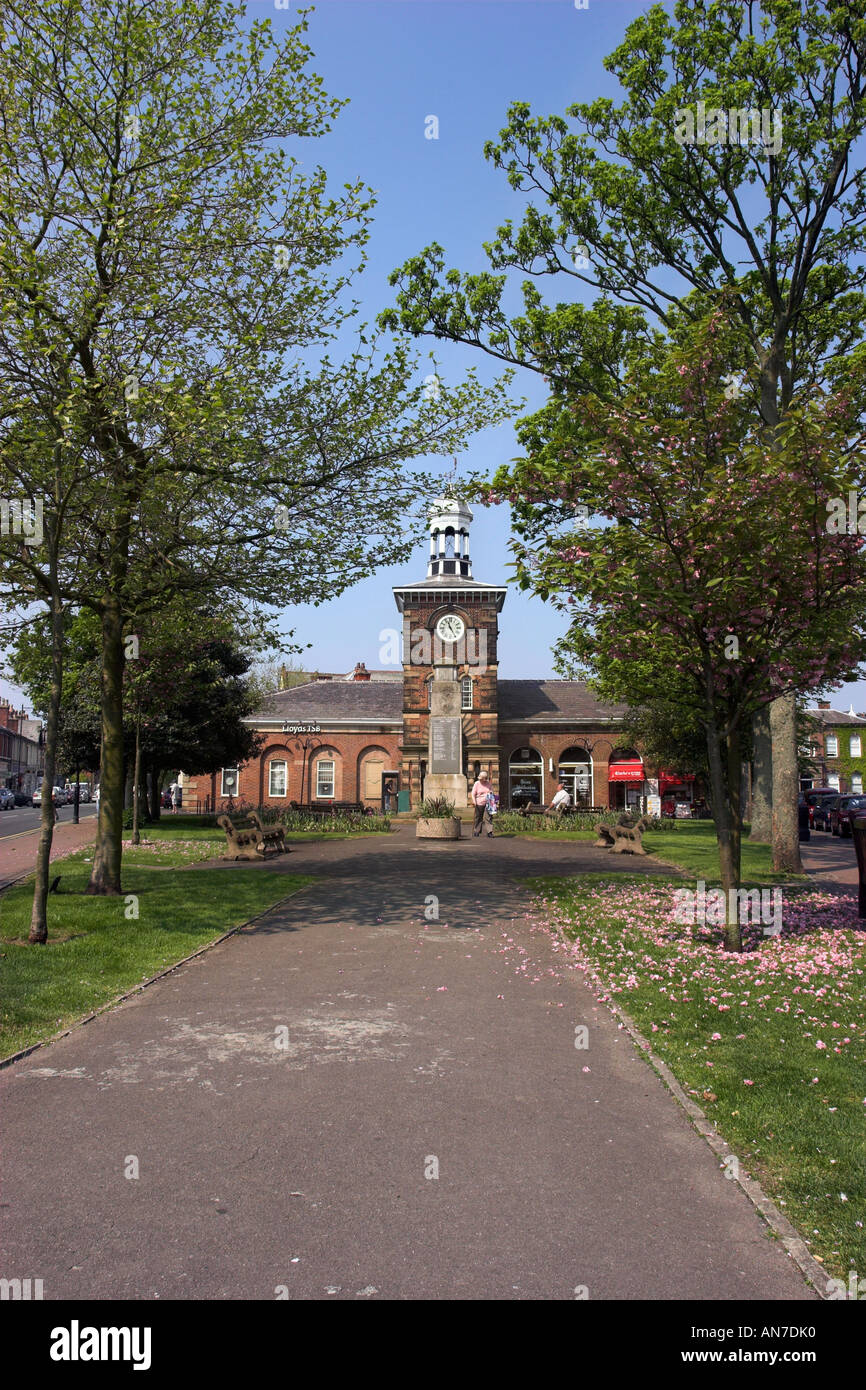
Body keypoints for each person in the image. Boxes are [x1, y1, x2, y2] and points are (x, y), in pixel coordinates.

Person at [470, 771, 491, 837]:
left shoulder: (488, 784)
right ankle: (477, 831)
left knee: (488, 818)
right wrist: (474, 801)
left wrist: (491, 794)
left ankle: (489, 832)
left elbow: (491, 791)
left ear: (485, 778)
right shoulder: (477, 783)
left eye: (482, 779)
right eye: (480, 779)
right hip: (479, 803)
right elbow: (473, 793)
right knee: (478, 817)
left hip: (488, 803)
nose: (480, 780)